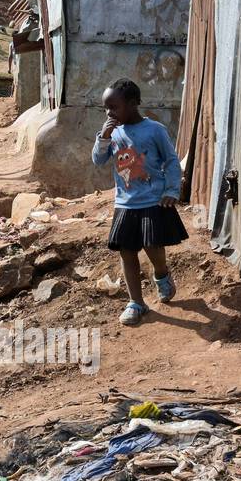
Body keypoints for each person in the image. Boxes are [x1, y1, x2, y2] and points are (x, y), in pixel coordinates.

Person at [92, 78, 187, 327]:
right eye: (106, 108)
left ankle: (161, 273)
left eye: (114, 107)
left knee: (152, 244)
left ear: (133, 104)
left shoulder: (154, 129)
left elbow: (170, 160)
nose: (110, 113)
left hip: (153, 199)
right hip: (125, 203)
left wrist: (172, 189)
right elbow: (98, 160)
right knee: (126, 252)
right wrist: (103, 137)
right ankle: (136, 302)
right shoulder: (112, 133)